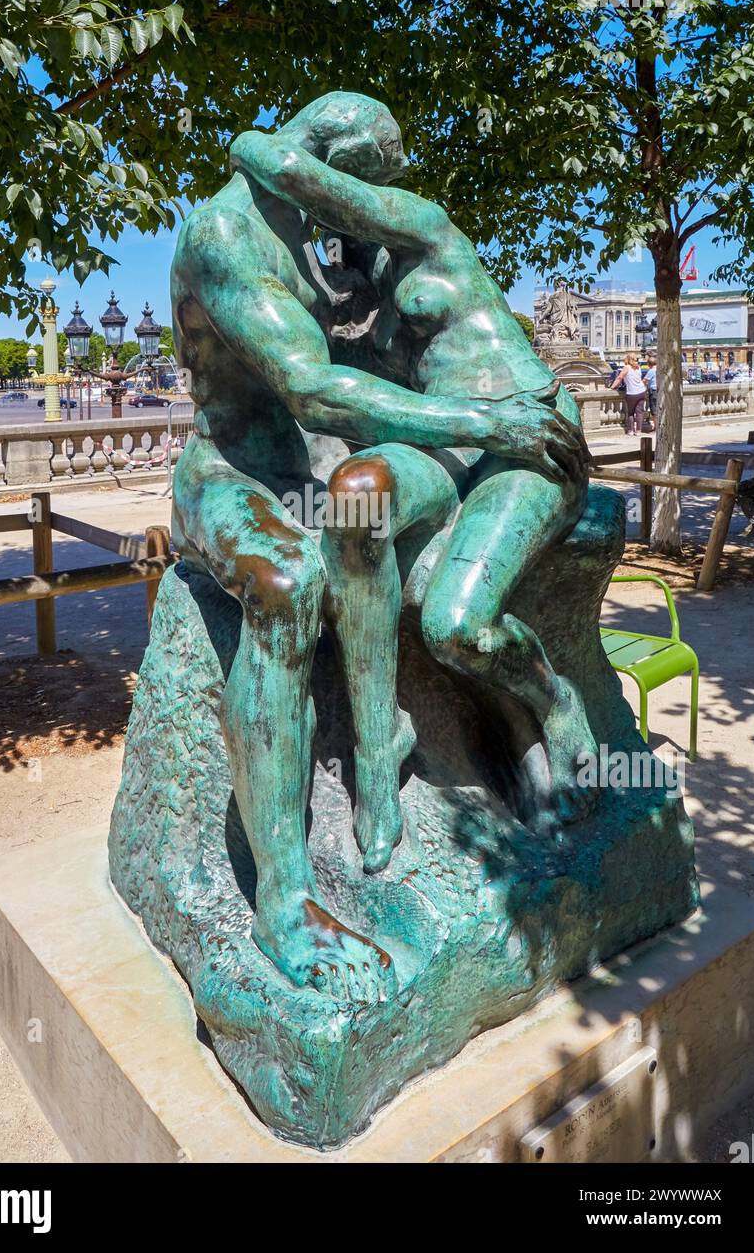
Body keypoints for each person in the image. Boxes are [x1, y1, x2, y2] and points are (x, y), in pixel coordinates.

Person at [169, 92, 587, 1002]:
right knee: (286, 583)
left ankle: (385, 747)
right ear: (330, 165)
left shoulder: (329, 255)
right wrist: (481, 417)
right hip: (227, 478)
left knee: (359, 530)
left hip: (320, 477)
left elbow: (369, 378)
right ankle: (285, 902)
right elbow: (315, 391)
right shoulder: (225, 234)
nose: (365, 212)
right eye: (362, 186)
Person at [230, 115, 598, 875]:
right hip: (452, 444)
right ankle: (377, 743)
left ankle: (554, 701)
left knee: (455, 625)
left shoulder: (426, 231)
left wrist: (249, 144)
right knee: (357, 496)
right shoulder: (353, 303)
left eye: (361, 190)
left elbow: (287, 170)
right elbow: (336, 401)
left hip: (524, 427)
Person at [608, 353, 647, 434]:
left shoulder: (627, 367)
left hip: (632, 392)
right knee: (639, 412)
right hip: (641, 391)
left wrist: (611, 388)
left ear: (628, 359)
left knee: (631, 412)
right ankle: (639, 431)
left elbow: (619, 378)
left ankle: (631, 430)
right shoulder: (638, 367)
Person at [643, 354, 658, 430]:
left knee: (654, 410)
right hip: (659, 391)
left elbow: (644, 381)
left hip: (653, 392)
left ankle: (656, 427)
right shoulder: (659, 369)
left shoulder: (651, 371)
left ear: (649, 364)